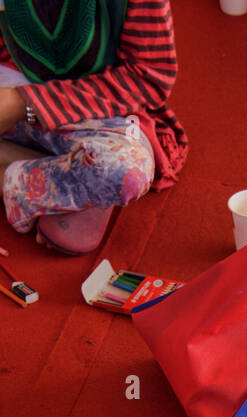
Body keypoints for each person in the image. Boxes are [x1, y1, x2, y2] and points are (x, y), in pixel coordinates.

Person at [0, 0, 186, 254]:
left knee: (124, 171)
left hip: (94, 106)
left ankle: (8, 174)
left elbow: (148, 76)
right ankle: (64, 178)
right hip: (7, 86)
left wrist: (24, 102)